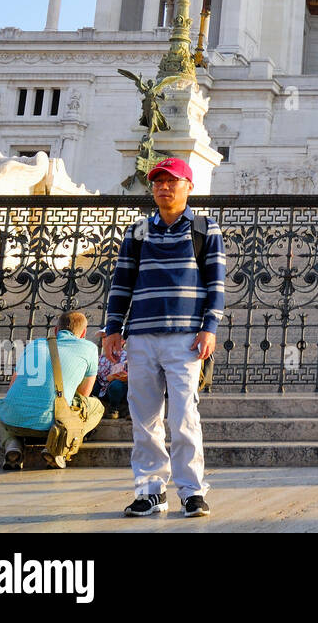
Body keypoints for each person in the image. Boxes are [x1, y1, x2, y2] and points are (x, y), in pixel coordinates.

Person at [104, 157, 226, 517]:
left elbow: (215, 284)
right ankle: (150, 491)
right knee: (144, 418)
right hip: (140, 335)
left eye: (171, 181)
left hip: (186, 338)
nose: (163, 187)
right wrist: (113, 328)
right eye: (158, 181)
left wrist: (210, 328)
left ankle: (191, 491)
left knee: (184, 415)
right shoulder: (139, 230)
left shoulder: (205, 228)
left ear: (188, 186)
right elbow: (122, 280)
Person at [0, 311, 104, 469]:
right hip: (52, 423)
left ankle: (13, 444)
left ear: (55, 330)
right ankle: (58, 445)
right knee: (96, 406)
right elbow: (84, 394)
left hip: (13, 420)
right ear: (83, 333)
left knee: (8, 405)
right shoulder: (89, 348)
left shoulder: (34, 345)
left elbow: (12, 386)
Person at [95, 328, 129, 419]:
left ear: (121, 341)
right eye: (103, 338)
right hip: (102, 388)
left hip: (118, 390)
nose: (105, 340)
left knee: (116, 386)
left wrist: (121, 375)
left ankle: (115, 408)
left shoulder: (126, 357)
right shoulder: (100, 358)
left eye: (107, 337)